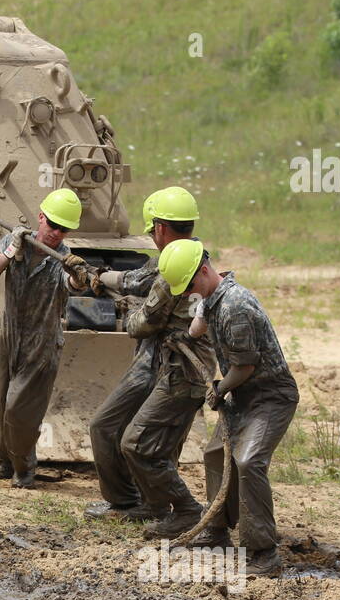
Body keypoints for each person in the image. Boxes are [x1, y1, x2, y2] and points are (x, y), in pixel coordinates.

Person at [158, 240, 300, 576]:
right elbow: (198, 327)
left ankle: (263, 553)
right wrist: (184, 335)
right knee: (214, 454)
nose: (189, 292)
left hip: (269, 396)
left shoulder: (235, 306)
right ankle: (217, 529)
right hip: (244, 394)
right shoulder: (212, 298)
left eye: (190, 285)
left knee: (248, 461)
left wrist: (220, 390)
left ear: (204, 271)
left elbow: (245, 367)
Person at [85, 187, 211, 525]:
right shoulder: (183, 256)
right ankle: (126, 501)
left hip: (176, 367)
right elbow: (137, 278)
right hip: (151, 361)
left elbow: (142, 324)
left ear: (159, 227)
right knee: (105, 426)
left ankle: (163, 508)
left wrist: (129, 311)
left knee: (144, 442)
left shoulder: (179, 267)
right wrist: (98, 277)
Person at [0, 189, 89, 488]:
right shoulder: (15, 244)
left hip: (42, 344)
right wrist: (10, 252)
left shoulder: (63, 258)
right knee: (3, 405)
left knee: (19, 410)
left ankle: (25, 470)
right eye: (52, 225)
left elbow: (75, 285)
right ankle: (5, 462)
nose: (56, 233)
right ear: (40, 217)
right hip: (11, 337)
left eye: (64, 229)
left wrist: (78, 273)